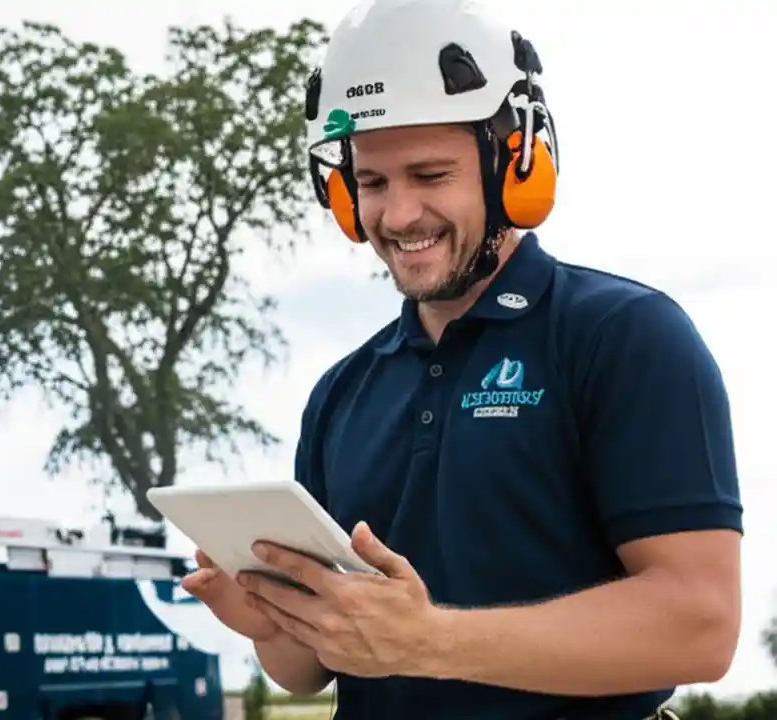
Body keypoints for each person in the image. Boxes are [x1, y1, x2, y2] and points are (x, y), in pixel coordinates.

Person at [179, 1, 743, 718]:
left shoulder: (626, 337)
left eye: (430, 174)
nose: (399, 215)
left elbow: (700, 626)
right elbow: (304, 670)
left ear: (515, 161)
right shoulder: (344, 390)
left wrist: (430, 641)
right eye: (374, 182)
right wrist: (270, 614)